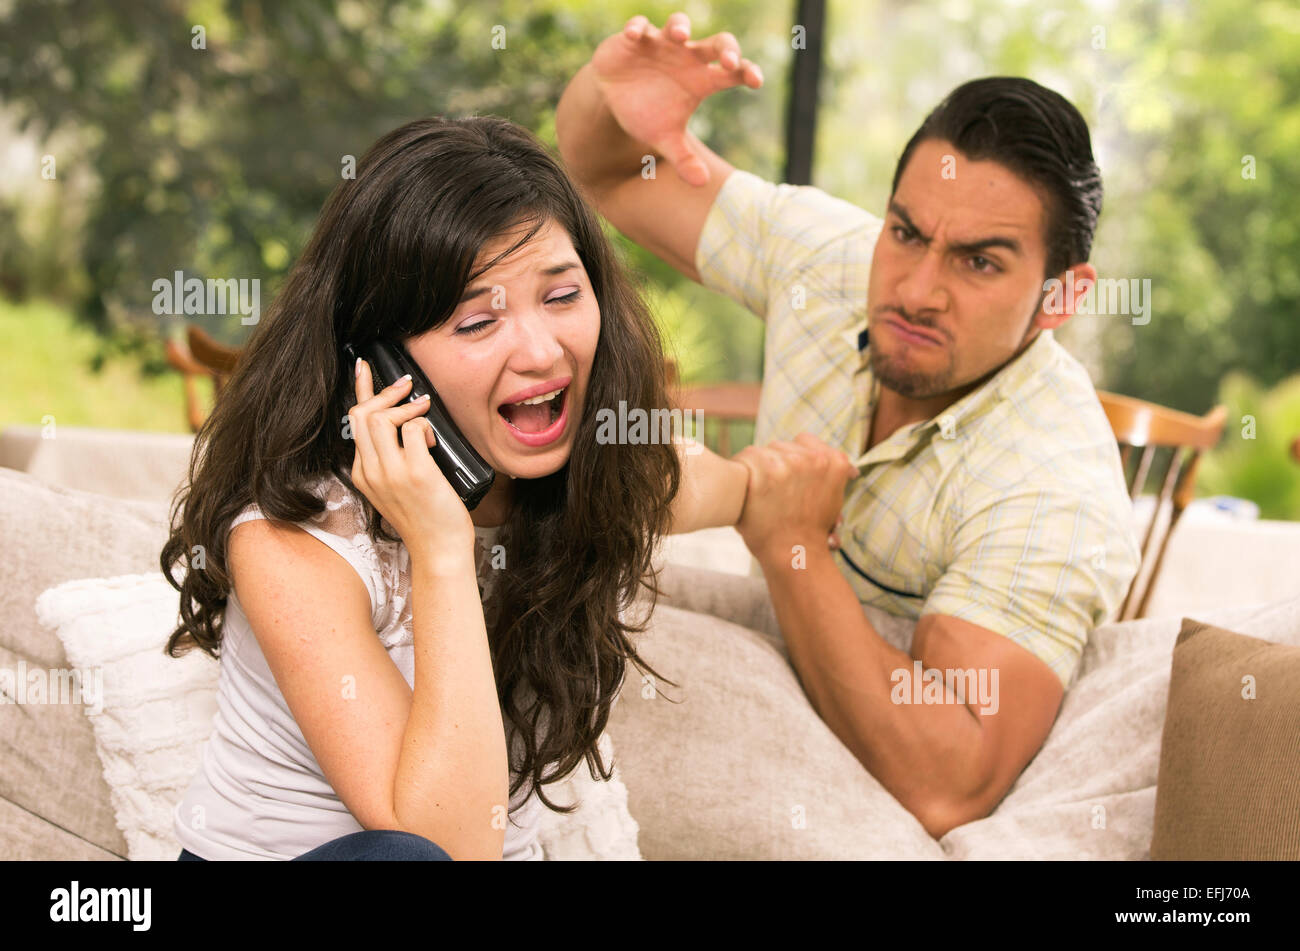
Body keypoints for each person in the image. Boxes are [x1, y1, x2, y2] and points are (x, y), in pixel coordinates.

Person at [556, 12, 1141, 838]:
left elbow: (950, 779)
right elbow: (607, 171)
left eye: (980, 261)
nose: (917, 290)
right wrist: (606, 96)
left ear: (1062, 296)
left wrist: (793, 541)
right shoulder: (831, 259)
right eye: (906, 232)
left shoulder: (1054, 483)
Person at [161, 115, 749, 861]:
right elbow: (452, 844)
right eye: (477, 321)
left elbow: (716, 483)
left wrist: (778, 499)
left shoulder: (598, 478)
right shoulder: (292, 541)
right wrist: (440, 546)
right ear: (375, 362)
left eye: (562, 296)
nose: (541, 352)